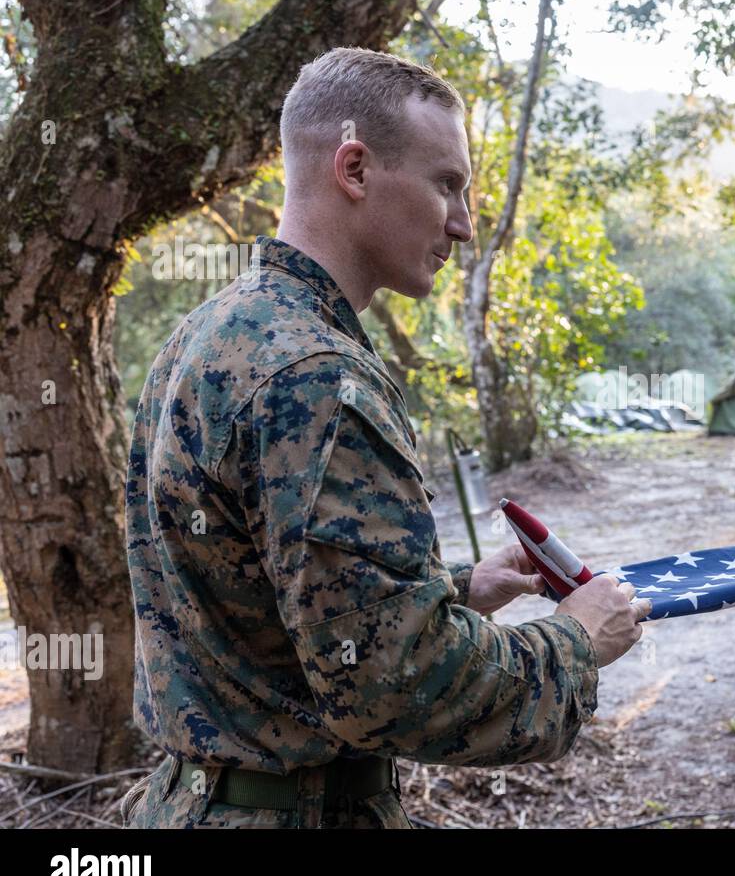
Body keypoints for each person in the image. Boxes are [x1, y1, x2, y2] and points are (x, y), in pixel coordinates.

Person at [122, 47, 647, 828]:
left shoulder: (209, 334)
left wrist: (453, 589)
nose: (464, 225)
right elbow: (395, 691)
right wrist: (573, 642)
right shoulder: (319, 378)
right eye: (448, 185)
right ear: (356, 169)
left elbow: (257, 597)